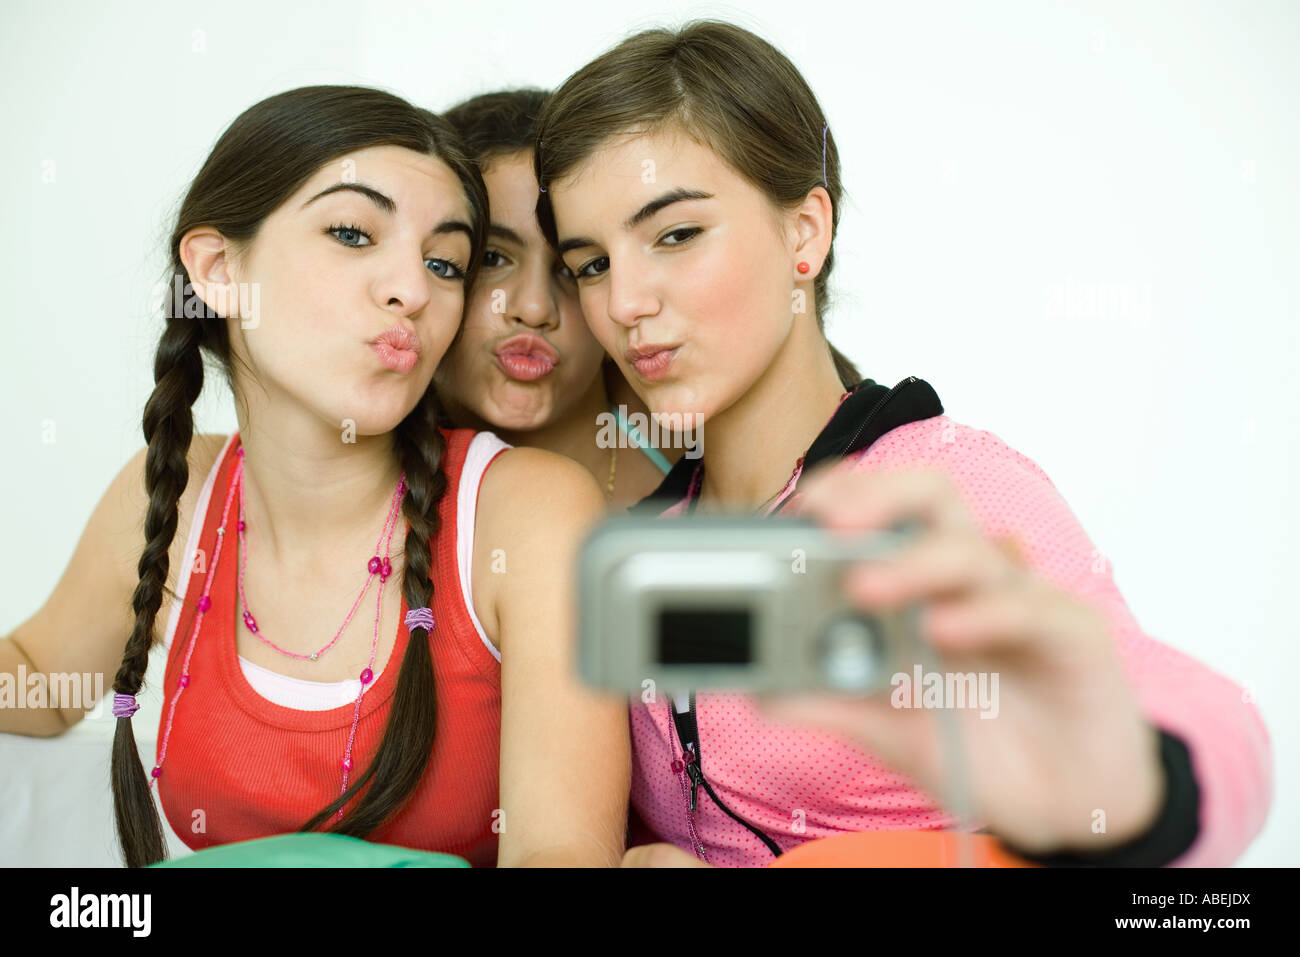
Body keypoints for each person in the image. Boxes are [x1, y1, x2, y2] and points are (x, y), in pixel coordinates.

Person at [532, 19, 1273, 867]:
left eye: (675, 234)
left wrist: (1134, 786)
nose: (624, 300)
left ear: (806, 231)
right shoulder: (641, 541)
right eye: (591, 263)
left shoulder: (945, 485)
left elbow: (1209, 724)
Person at [0, 86, 629, 868]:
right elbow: (40, 682)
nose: (412, 289)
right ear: (218, 267)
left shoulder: (529, 513)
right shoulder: (177, 494)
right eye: (353, 233)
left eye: (445, 263)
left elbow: (563, 855)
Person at [431, 90, 684, 508]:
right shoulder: (363, 475)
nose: (533, 309)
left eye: (575, 269)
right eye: (493, 258)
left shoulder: (695, 442)